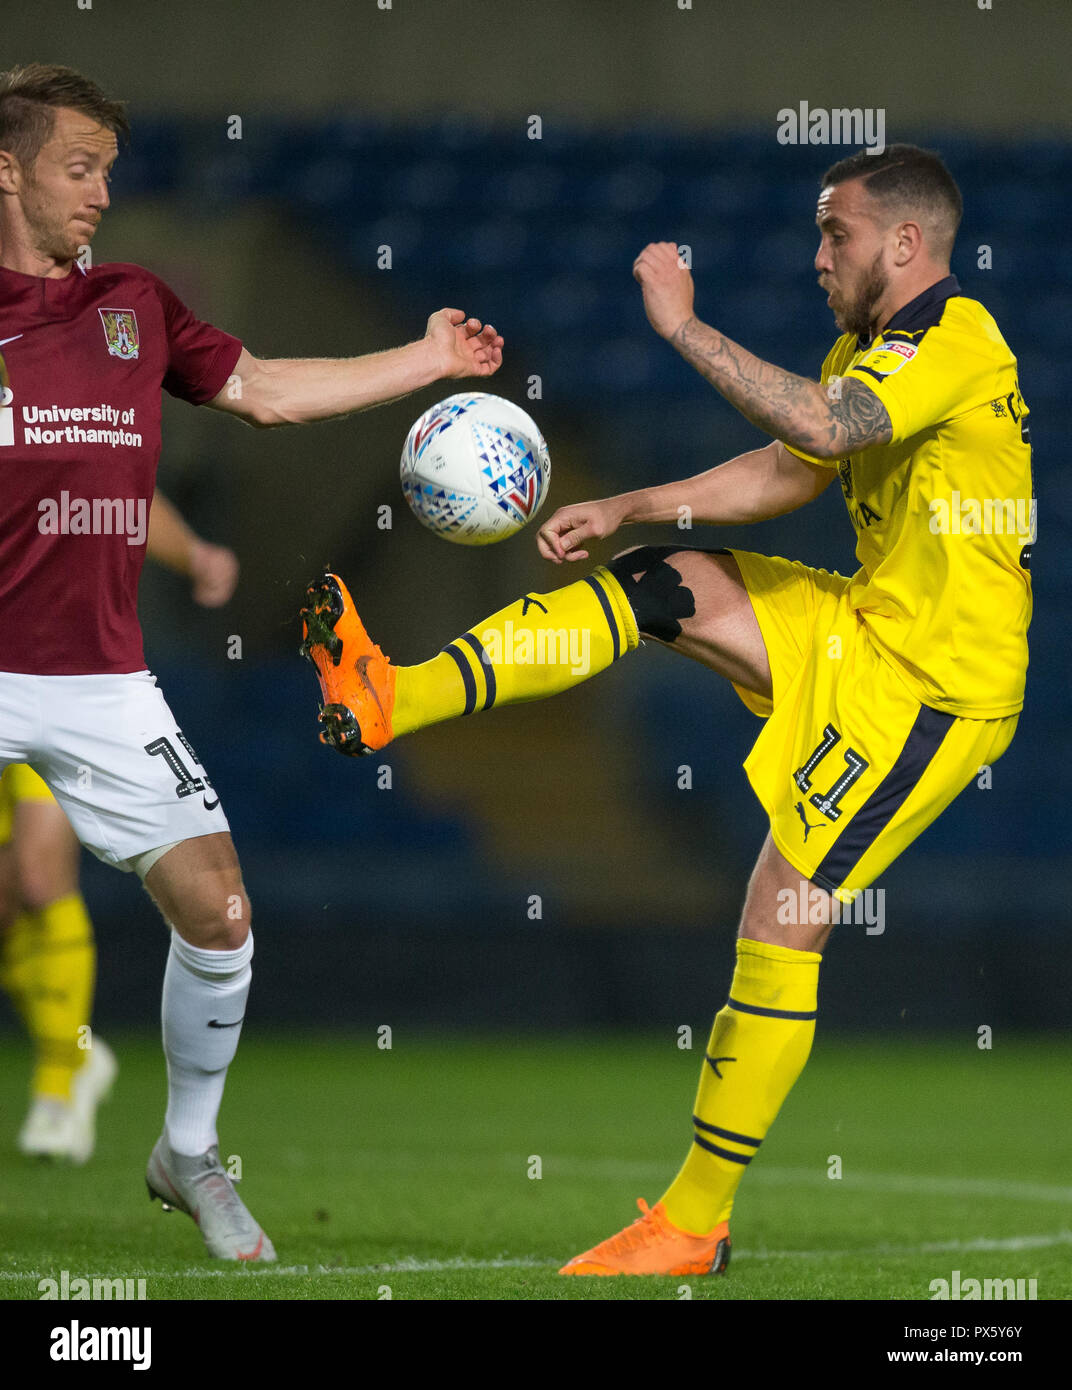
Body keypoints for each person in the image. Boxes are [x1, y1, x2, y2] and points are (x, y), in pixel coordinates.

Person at [301, 144, 1033, 1276]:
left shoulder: (954, 337)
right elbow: (796, 468)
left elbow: (831, 429)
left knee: (784, 907)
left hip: (937, 685)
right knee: (661, 580)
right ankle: (394, 693)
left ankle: (693, 1220)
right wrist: (630, 502)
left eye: (833, 232)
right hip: (865, 626)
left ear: (902, 243)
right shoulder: (875, 348)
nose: (815, 255)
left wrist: (684, 329)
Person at [0, 60, 503, 1261]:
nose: (102, 194)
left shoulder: (134, 305)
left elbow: (268, 390)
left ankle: (185, 1150)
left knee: (221, 915)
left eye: (109, 170)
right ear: (6, 172)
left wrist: (424, 358)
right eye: (79, 168)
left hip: (100, 680)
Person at [0, 491, 239, 1163]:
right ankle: (77, 1049)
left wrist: (191, 553)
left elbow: (114, 485)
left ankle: (59, 1080)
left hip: (48, 672)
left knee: (42, 874)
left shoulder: (53, 398)